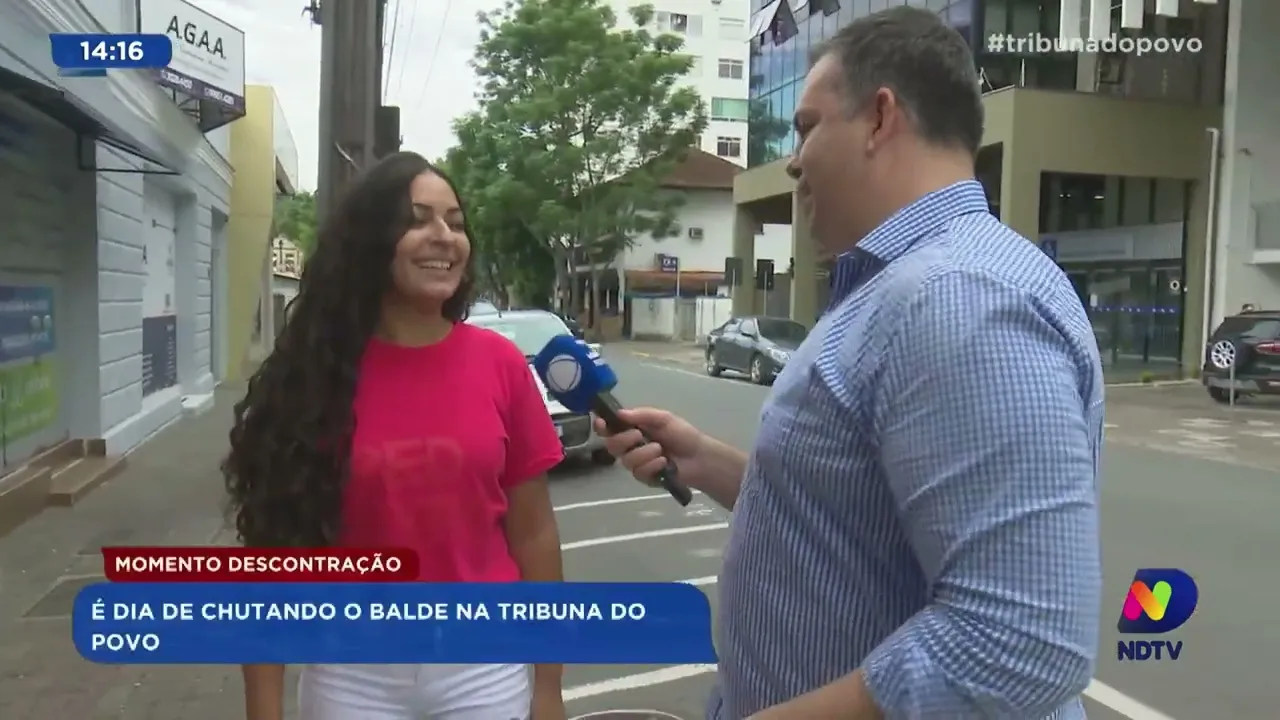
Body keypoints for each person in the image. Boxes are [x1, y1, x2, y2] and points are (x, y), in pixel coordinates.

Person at [598, 7, 1102, 720]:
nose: (795, 159)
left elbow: (1013, 644)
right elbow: (855, 527)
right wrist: (710, 462)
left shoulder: (958, 299)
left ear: (879, 118)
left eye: (807, 126)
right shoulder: (903, 287)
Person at [222, 151, 567, 720]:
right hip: (350, 676)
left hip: (483, 668)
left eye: (456, 223)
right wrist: (264, 709)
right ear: (369, 241)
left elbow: (534, 534)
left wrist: (548, 688)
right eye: (418, 219)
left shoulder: (499, 363)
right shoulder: (312, 376)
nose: (444, 237)